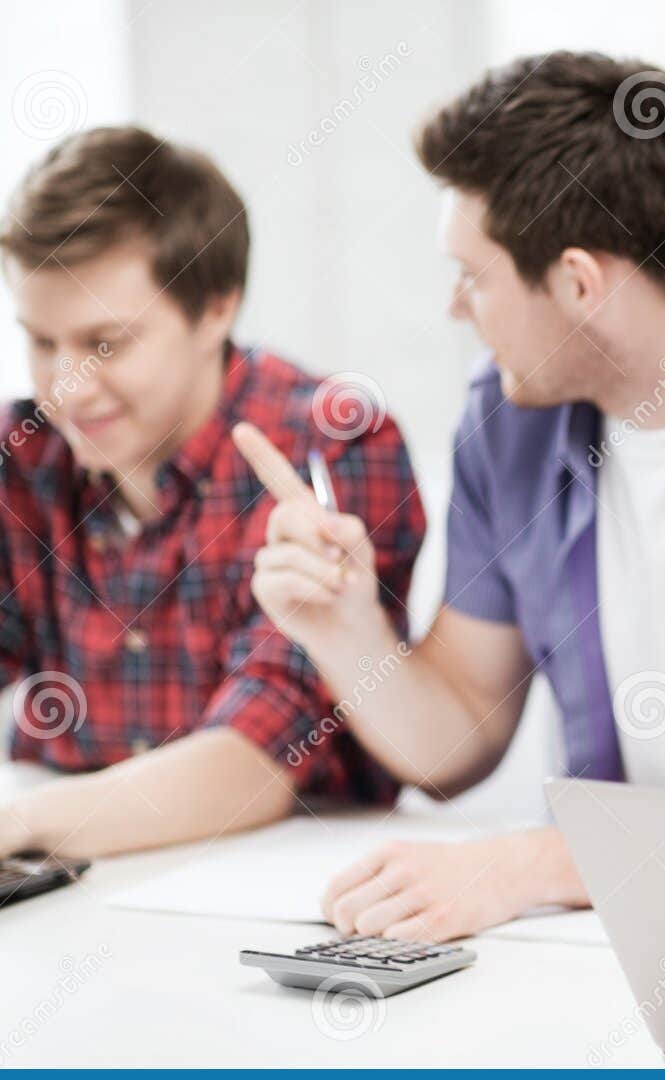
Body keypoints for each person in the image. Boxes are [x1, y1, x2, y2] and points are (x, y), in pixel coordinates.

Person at [236, 52, 665, 941]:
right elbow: (455, 742)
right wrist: (345, 626)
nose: (457, 307)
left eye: (474, 275)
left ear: (578, 282)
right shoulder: (508, 419)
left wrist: (531, 864)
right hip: (610, 928)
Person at [0, 127, 426, 859]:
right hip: (75, 868)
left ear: (217, 309)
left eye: (105, 344)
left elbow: (257, 759)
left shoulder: (332, 446)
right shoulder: (24, 454)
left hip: (278, 878)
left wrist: (21, 824)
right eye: (42, 341)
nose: (64, 387)